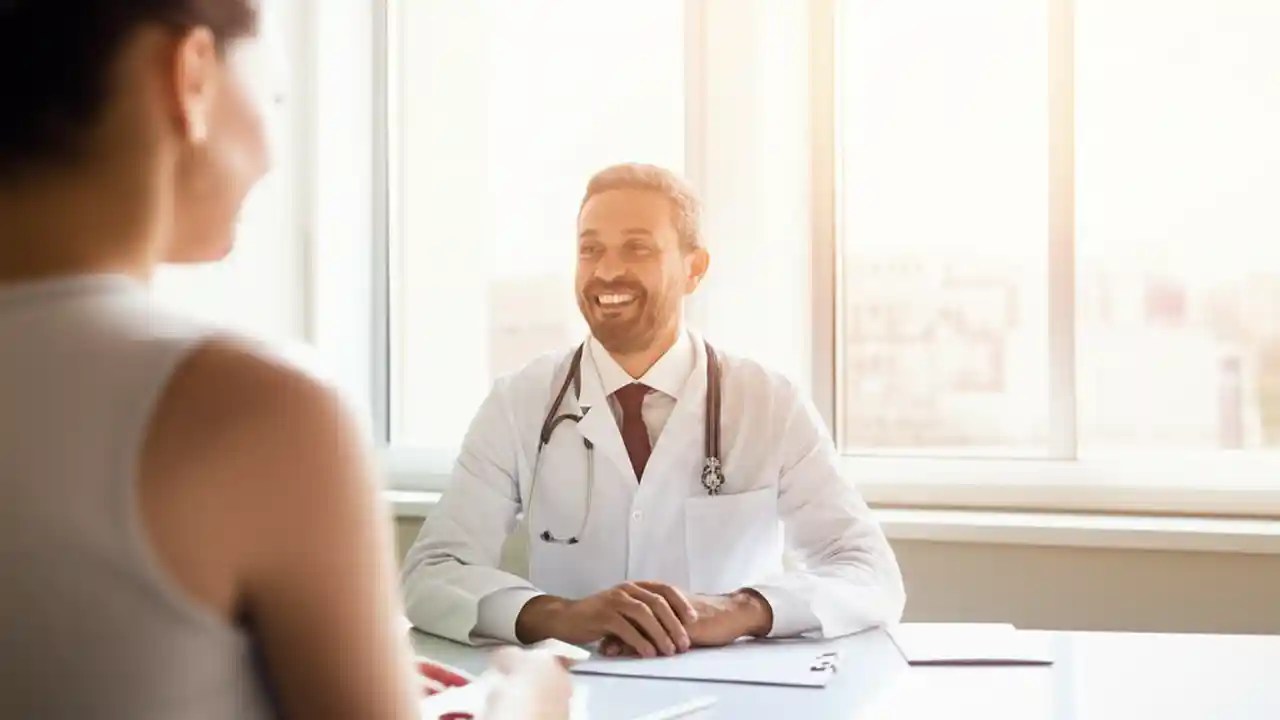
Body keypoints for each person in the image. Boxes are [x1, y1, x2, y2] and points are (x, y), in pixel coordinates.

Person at [0, 2, 567, 718]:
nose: (271, 155)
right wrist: (529, 704)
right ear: (191, 76)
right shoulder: (251, 411)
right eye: (271, 96)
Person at [402, 163, 905, 657]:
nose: (606, 270)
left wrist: (738, 609)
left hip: (732, 699)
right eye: (590, 249)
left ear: (695, 269)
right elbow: (432, 573)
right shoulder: (520, 403)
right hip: (576, 697)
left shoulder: (769, 403)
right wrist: (563, 615)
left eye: (637, 248)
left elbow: (869, 574)